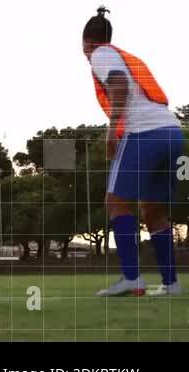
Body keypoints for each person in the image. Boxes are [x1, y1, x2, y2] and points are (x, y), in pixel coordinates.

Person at [83, 7, 183, 296]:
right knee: (153, 211)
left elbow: (118, 83)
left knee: (115, 201)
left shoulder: (100, 54)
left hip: (143, 133)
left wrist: (112, 128)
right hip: (171, 132)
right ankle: (171, 283)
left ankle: (132, 279)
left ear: (86, 43)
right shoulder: (125, 56)